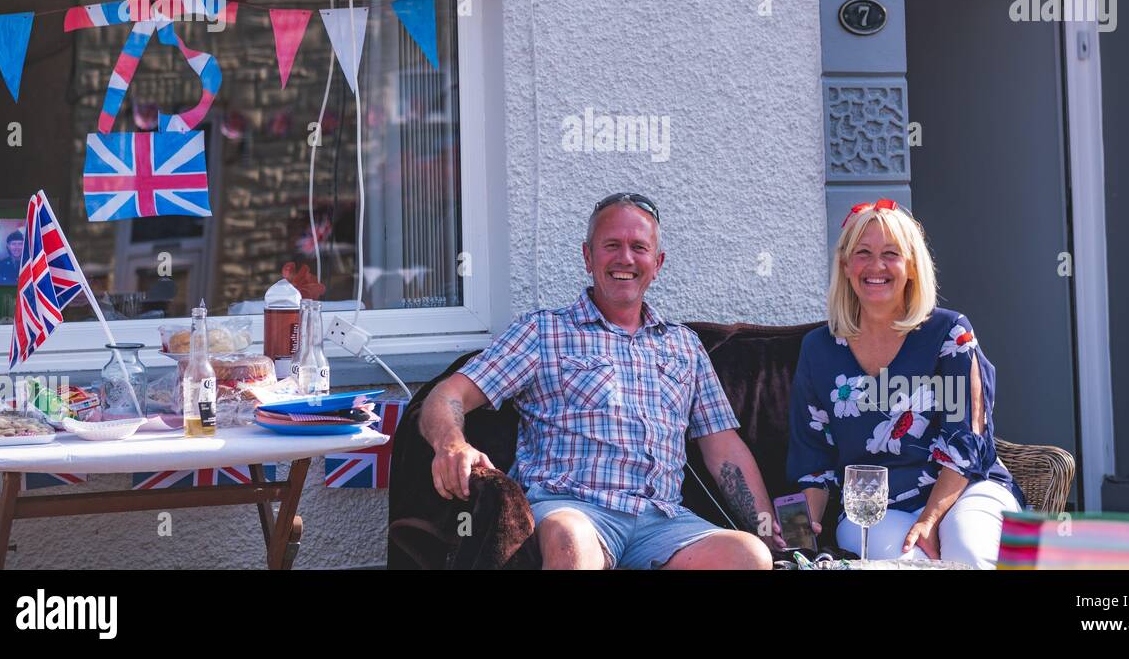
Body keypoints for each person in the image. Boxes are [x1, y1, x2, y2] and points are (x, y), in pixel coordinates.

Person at [420, 193, 777, 570]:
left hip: (665, 523)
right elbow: (447, 393)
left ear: (657, 264)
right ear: (588, 257)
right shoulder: (543, 332)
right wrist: (452, 444)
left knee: (750, 556)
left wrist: (768, 528)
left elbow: (723, 448)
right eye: (612, 245)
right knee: (571, 537)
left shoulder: (683, 345)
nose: (625, 258)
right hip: (574, 509)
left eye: (639, 247)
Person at [787, 199, 1023, 569]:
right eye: (862, 253)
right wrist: (799, 532)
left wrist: (930, 520)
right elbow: (812, 459)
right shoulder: (819, 349)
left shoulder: (950, 334)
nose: (875, 266)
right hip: (873, 507)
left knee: (968, 553)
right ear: (846, 265)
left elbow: (966, 442)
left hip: (967, 490)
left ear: (912, 265)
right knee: (910, 562)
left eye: (891, 254)